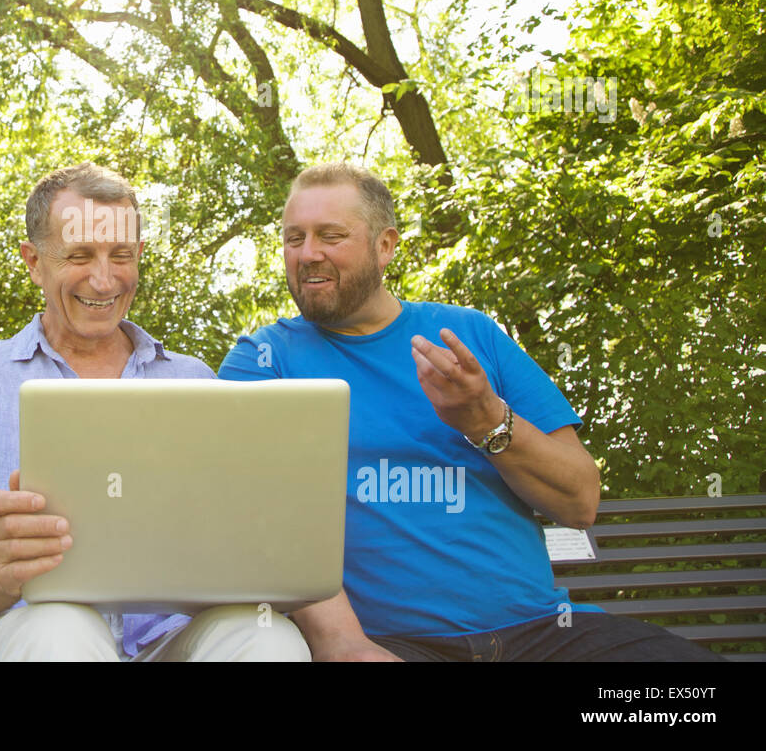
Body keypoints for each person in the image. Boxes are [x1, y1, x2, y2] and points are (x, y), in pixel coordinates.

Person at [217, 161, 723, 662]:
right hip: (393, 647)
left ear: (385, 245)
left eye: (330, 236)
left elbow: (579, 502)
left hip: (545, 633)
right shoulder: (264, 360)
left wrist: (486, 421)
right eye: (294, 238)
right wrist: (344, 645)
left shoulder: (470, 336)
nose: (308, 254)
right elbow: (255, 513)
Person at [0, 162, 310, 661]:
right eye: (80, 256)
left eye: (120, 256)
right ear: (34, 261)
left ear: (139, 256)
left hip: (166, 640)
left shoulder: (193, 381)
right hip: (22, 637)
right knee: (62, 627)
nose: (103, 282)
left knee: (266, 635)